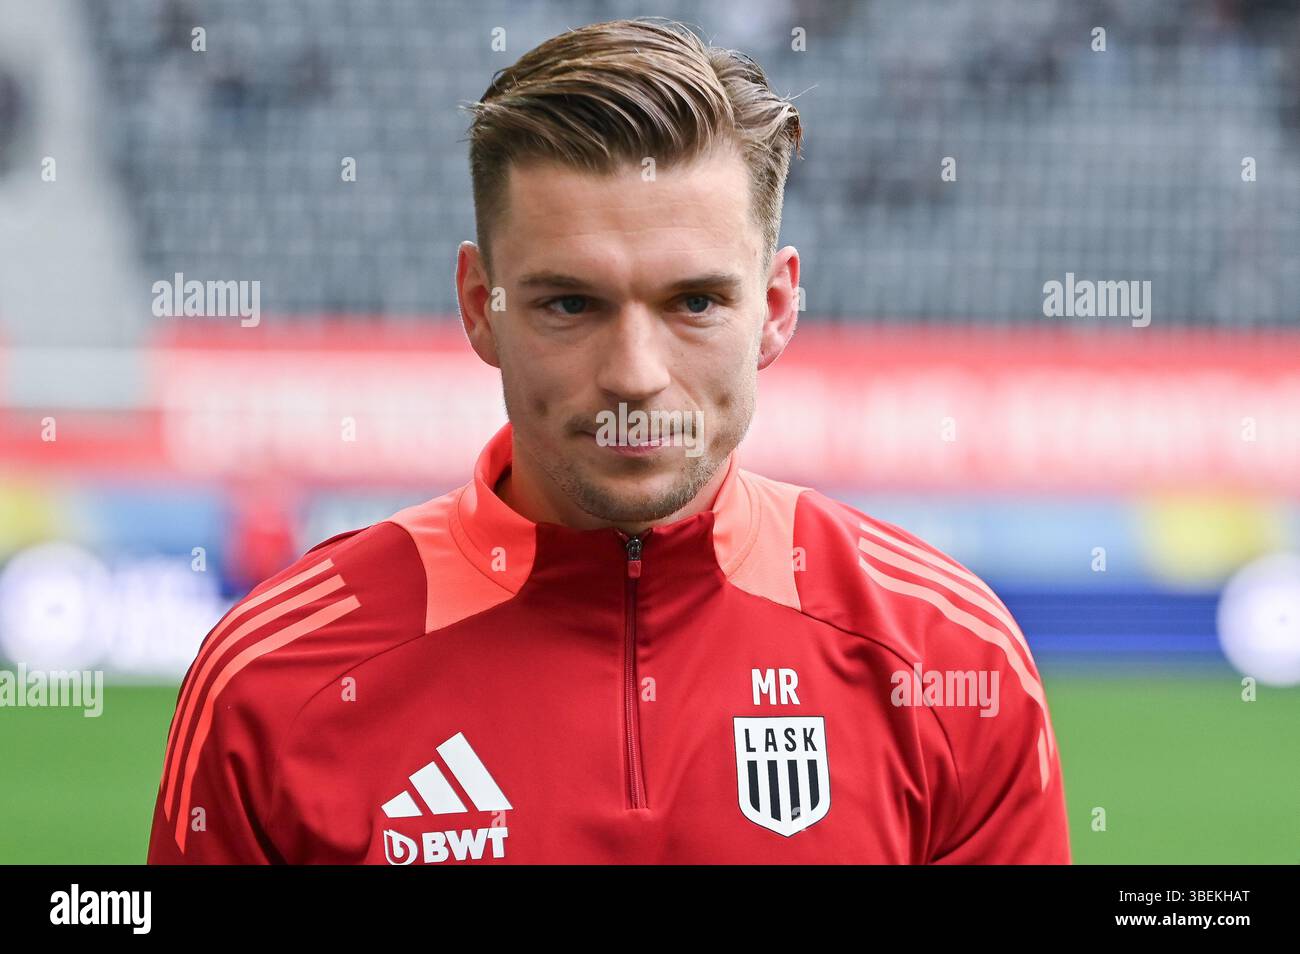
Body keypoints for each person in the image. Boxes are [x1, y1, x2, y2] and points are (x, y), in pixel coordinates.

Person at [148, 17, 1069, 864]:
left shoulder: (950, 662)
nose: (634, 371)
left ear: (776, 310)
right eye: (570, 303)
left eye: (695, 303)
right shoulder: (273, 682)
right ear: (483, 308)